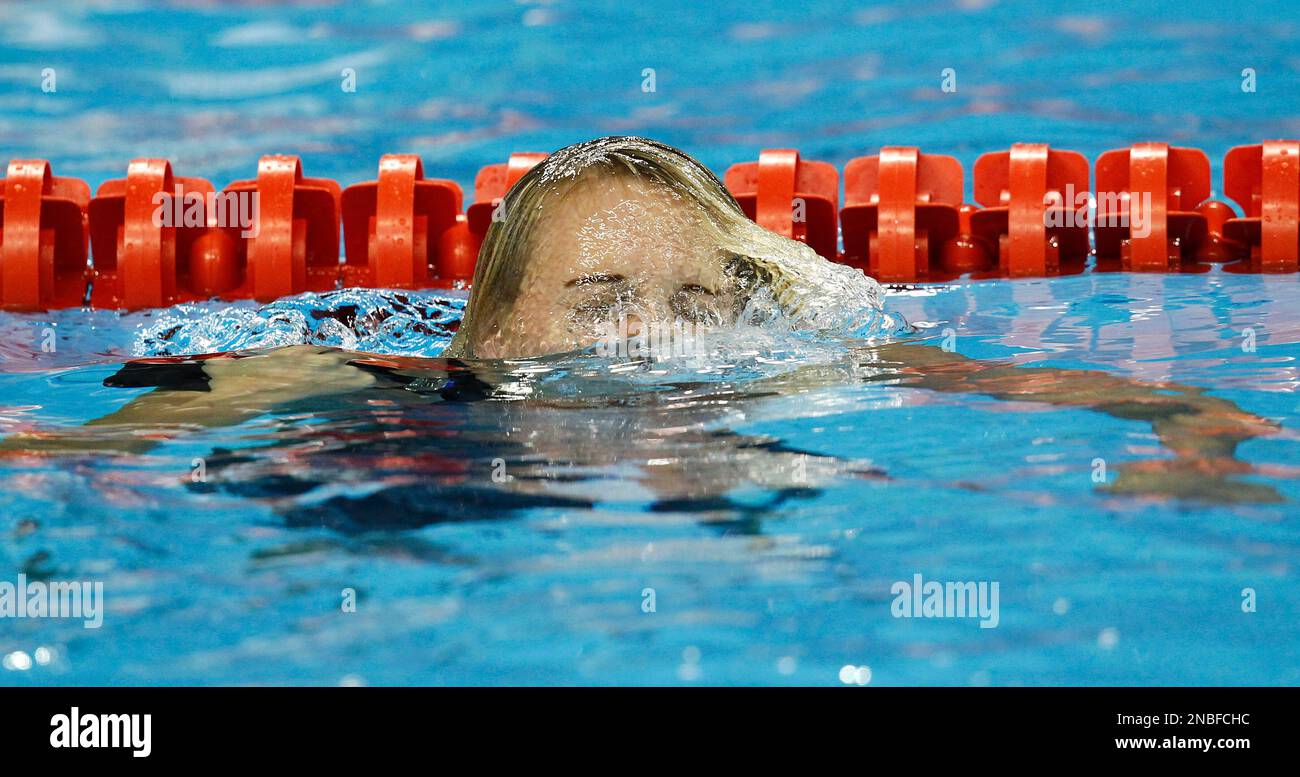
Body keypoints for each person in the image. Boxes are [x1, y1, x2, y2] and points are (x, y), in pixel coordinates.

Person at [0, 136, 1280, 507]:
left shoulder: (802, 375)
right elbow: (180, 411)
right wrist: (61, 463)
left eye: (698, 298)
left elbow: (1116, 397)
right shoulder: (406, 386)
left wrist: (1194, 436)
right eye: (600, 300)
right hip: (444, 487)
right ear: (485, 330)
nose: (657, 337)